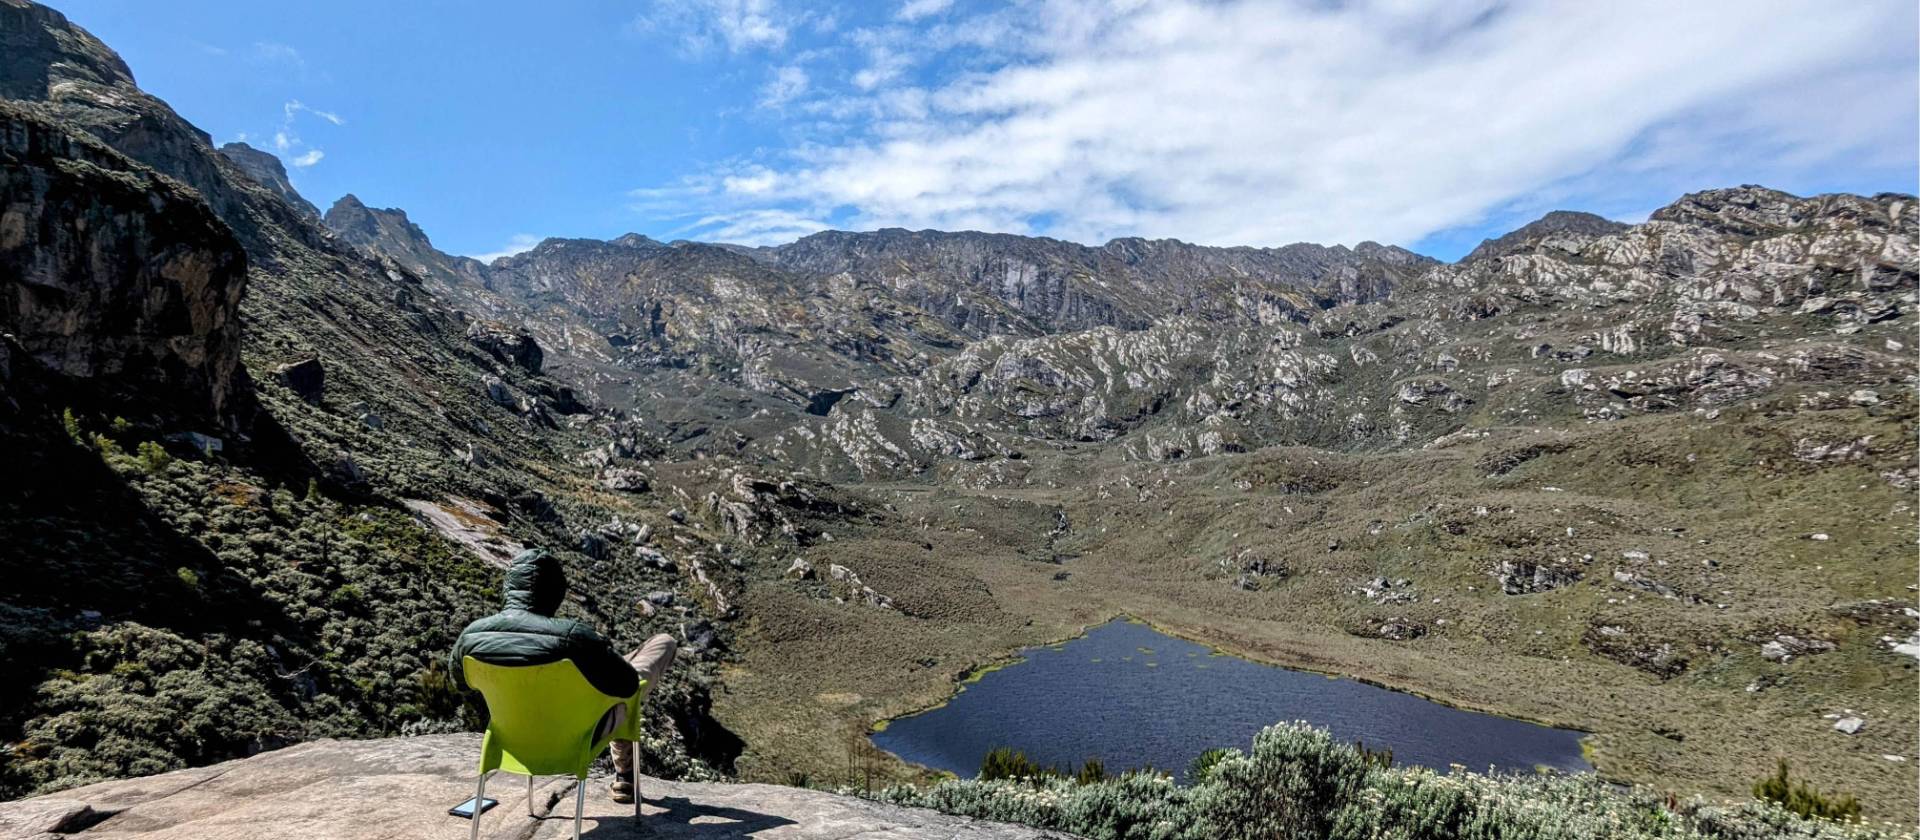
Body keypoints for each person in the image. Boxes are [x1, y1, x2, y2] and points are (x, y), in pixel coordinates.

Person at [450, 548, 675, 804]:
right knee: (659, 647)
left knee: (612, 673)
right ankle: (625, 775)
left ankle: (624, 776)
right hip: (576, 743)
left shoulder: (470, 637)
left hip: (512, 743)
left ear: (509, 589)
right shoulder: (574, 637)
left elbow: (460, 683)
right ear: (555, 592)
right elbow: (626, 685)